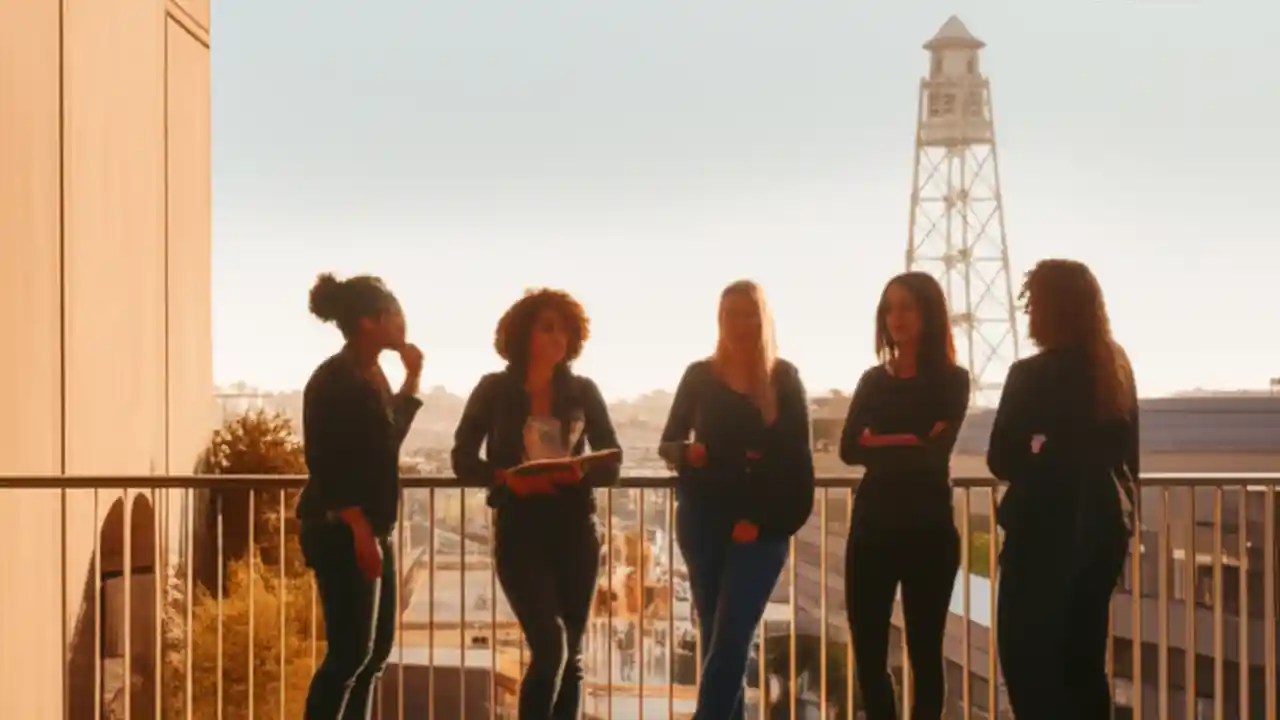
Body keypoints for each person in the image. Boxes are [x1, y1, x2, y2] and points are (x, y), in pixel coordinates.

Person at [452, 288, 621, 720]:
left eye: (564, 329)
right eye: (547, 327)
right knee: (551, 646)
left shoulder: (583, 391)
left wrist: (579, 470)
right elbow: (462, 459)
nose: (557, 337)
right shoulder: (493, 391)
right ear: (524, 333)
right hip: (520, 530)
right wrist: (503, 479)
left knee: (572, 657)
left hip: (575, 531)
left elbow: (612, 459)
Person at [988, 259, 1138, 717]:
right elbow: (1127, 458)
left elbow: (1001, 458)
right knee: (1083, 665)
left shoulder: (1030, 374)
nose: (1029, 313)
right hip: (1100, 536)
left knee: (1027, 664)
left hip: (1039, 538)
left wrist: (1038, 447)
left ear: (1047, 309)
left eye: (1033, 303)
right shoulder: (1115, 368)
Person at [660, 280, 815, 720]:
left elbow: (797, 465)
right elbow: (668, 443)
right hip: (702, 520)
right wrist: (686, 453)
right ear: (720, 319)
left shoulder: (783, 379)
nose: (741, 323)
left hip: (758, 531)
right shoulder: (699, 375)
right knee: (715, 640)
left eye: (749, 313)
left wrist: (764, 524)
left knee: (731, 638)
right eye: (731, 313)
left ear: (762, 318)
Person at [839, 271, 969, 719]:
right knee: (869, 655)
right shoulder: (873, 380)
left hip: (929, 532)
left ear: (928, 313)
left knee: (925, 653)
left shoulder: (953, 381)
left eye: (907, 307)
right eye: (889, 307)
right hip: (871, 530)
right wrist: (911, 438)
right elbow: (848, 448)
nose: (896, 317)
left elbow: (934, 456)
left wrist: (881, 441)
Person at [296, 273, 424, 720]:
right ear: (370, 322)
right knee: (350, 654)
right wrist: (359, 529)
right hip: (343, 528)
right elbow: (325, 462)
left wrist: (412, 378)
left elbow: (388, 440)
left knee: (373, 655)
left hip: (372, 527)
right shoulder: (335, 380)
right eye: (394, 313)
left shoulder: (371, 373)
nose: (401, 322)